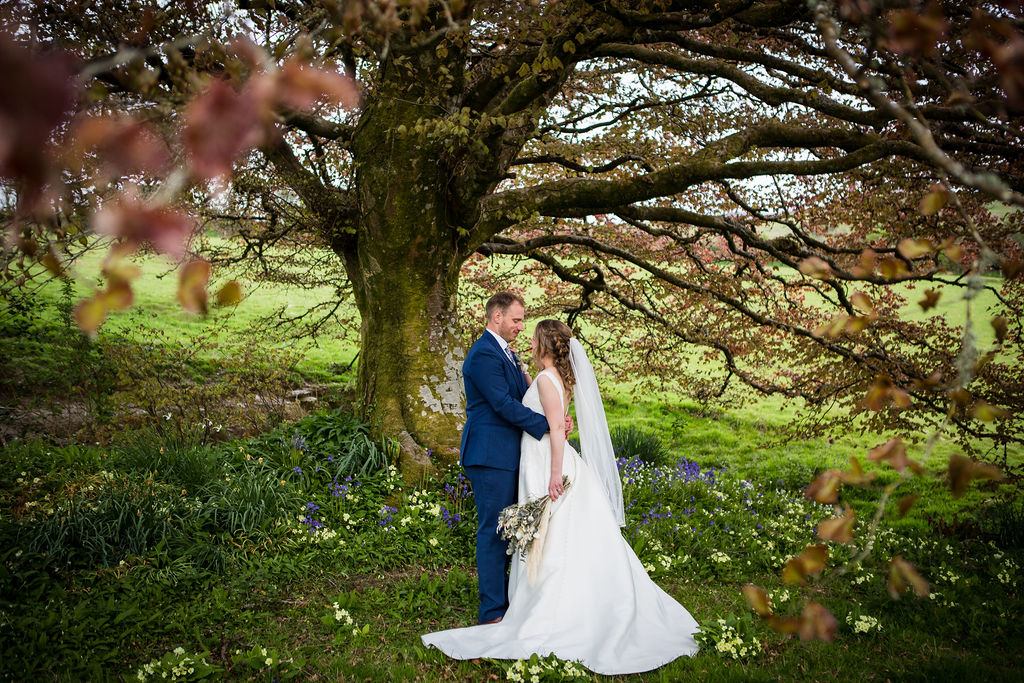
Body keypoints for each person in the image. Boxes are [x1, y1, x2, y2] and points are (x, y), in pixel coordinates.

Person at [423, 319, 699, 675]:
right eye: (518, 322)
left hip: (547, 463)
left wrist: (554, 474)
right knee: (553, 534)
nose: (526, 338)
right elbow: (549, 415)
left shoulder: (546, 380)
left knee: (554, 535)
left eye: (532, 335)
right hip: (539, 459)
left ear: (543, 345)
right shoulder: (551, 377)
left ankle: (552, 608)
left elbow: (554, 426)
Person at [459, 292, 567, 624]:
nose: (521, 327)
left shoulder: (505, 353)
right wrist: (549, 426)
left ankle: (510, 600)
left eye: (522, 321)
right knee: (492, 530)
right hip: (490, 455)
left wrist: (556, 418)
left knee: (508, 530)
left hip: (509, 454)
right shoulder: (483, 356)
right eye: (516, 320)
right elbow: (503, 405)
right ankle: (492, 612)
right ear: (497, 318)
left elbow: (525, 399)